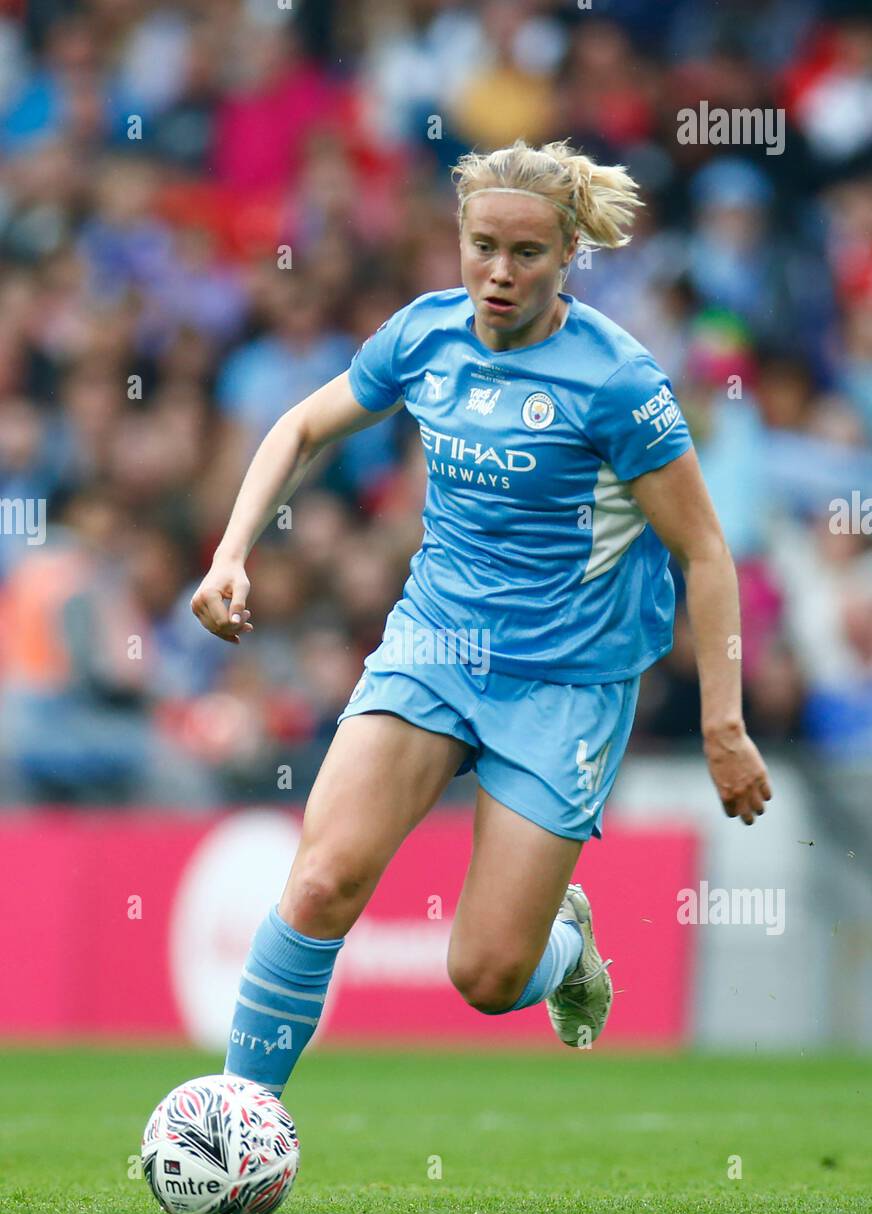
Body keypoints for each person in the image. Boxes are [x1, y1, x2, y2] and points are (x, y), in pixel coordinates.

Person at [191, 138, 772, 1095]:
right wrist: (230, 553)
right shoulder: (424, 335)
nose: (499, 274)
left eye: (527, 254)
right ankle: (239, 1114)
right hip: (434, 644)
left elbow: (706, 550)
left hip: (568, 681)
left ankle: (566, 951)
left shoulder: (618, 383)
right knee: (323, 882)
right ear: (457, 240)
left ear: (568, 256)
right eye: (482, 246)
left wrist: (723, 723)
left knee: (488, 975)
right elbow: (300, 426)